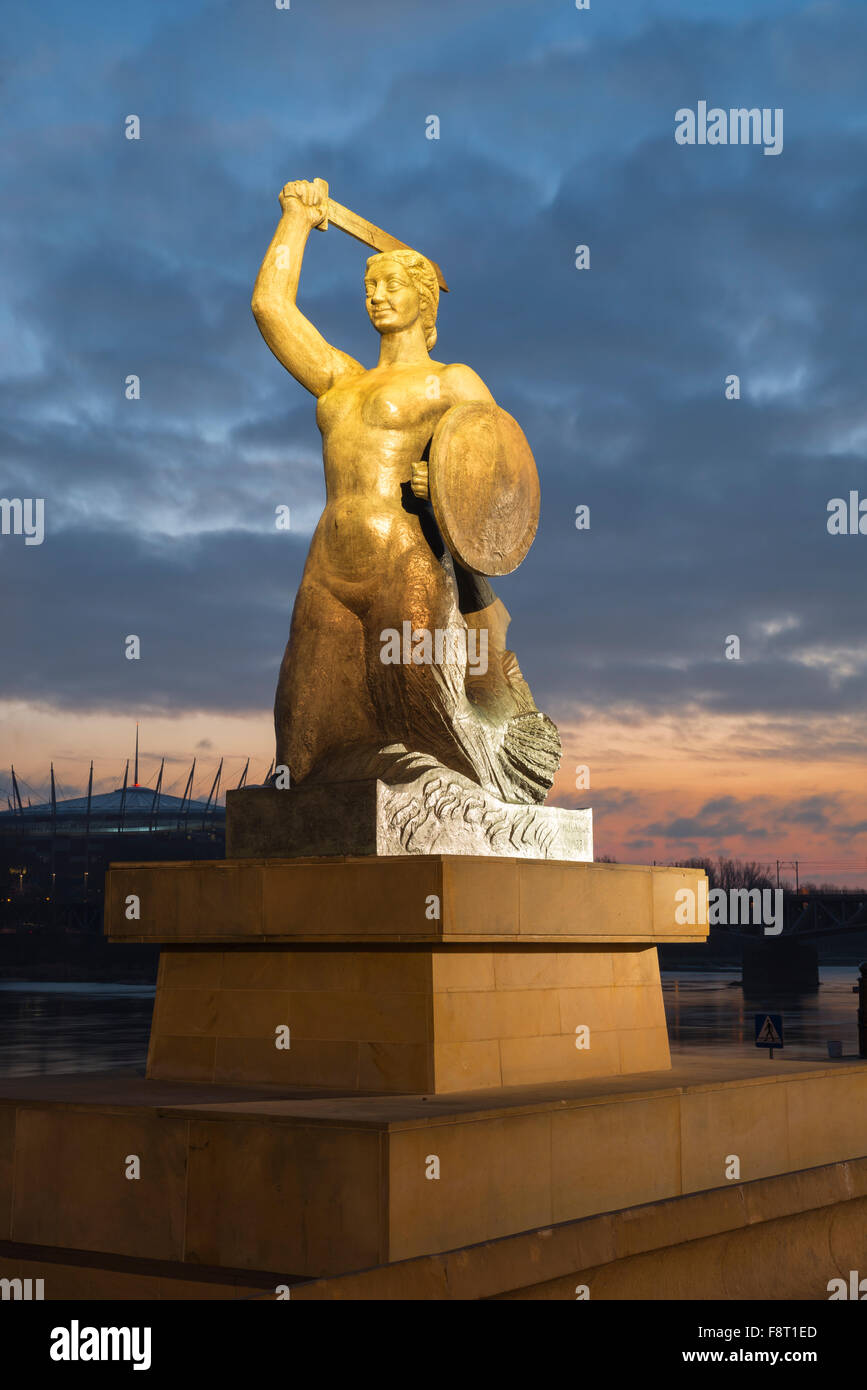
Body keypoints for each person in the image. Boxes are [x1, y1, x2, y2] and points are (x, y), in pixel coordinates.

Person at [251, 178, 560, 804]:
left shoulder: (450, 381)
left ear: (424, 299)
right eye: (369, 285)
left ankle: (474, 796)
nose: (377, 294)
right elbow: (270, 309)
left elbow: (503, 475)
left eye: (392, 284)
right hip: (330, 563)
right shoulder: (340, 378)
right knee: (301, 727)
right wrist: (295, 220)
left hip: (407, 562)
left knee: (419, 710)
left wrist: (446, 485)